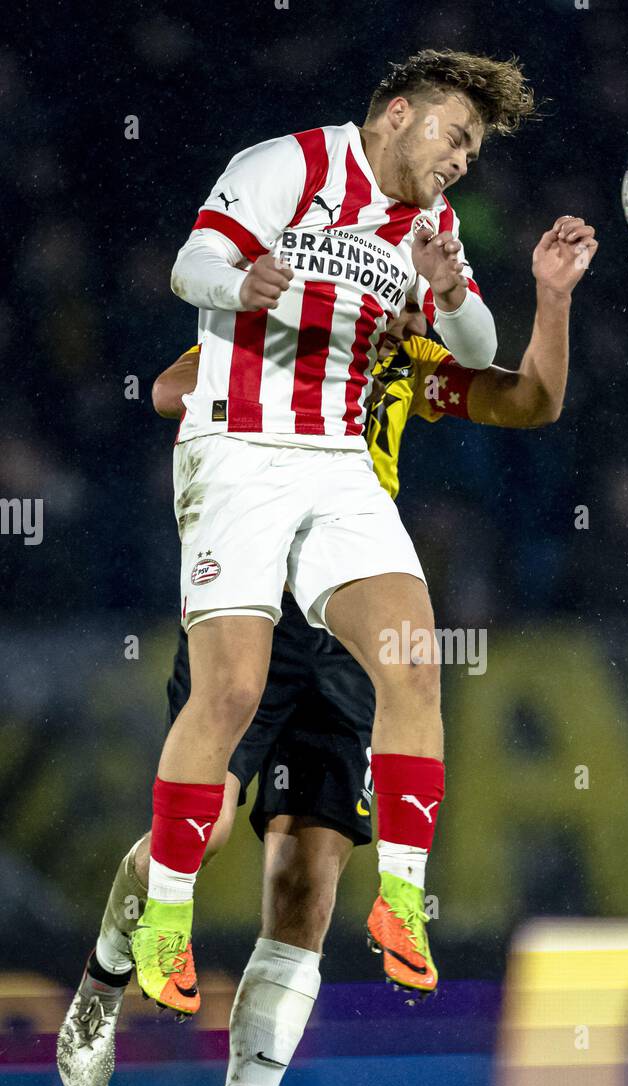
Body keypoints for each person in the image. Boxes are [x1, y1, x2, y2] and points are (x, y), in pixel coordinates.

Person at [57, 216, 598, 1086]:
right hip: (257, 586)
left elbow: (528, 398)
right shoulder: (276, 323)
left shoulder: (411, 354)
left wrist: (551, 299)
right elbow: (173, 390)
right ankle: (104, 970)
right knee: (208, 828)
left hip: (345, 610)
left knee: (309, 870)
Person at [127, 50, 539, 1025]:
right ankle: (165, 914)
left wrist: (448, 290)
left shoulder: (428, 226)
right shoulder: (291, 166)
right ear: (398, 115)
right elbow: (190, 264)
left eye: (474, 151)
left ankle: (399, 898)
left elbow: (478, 355)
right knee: (228, 688)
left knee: (412, 657)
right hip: (236, 447)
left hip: (338, 461)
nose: (460, 162)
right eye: (454, 136)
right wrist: (241, 286)